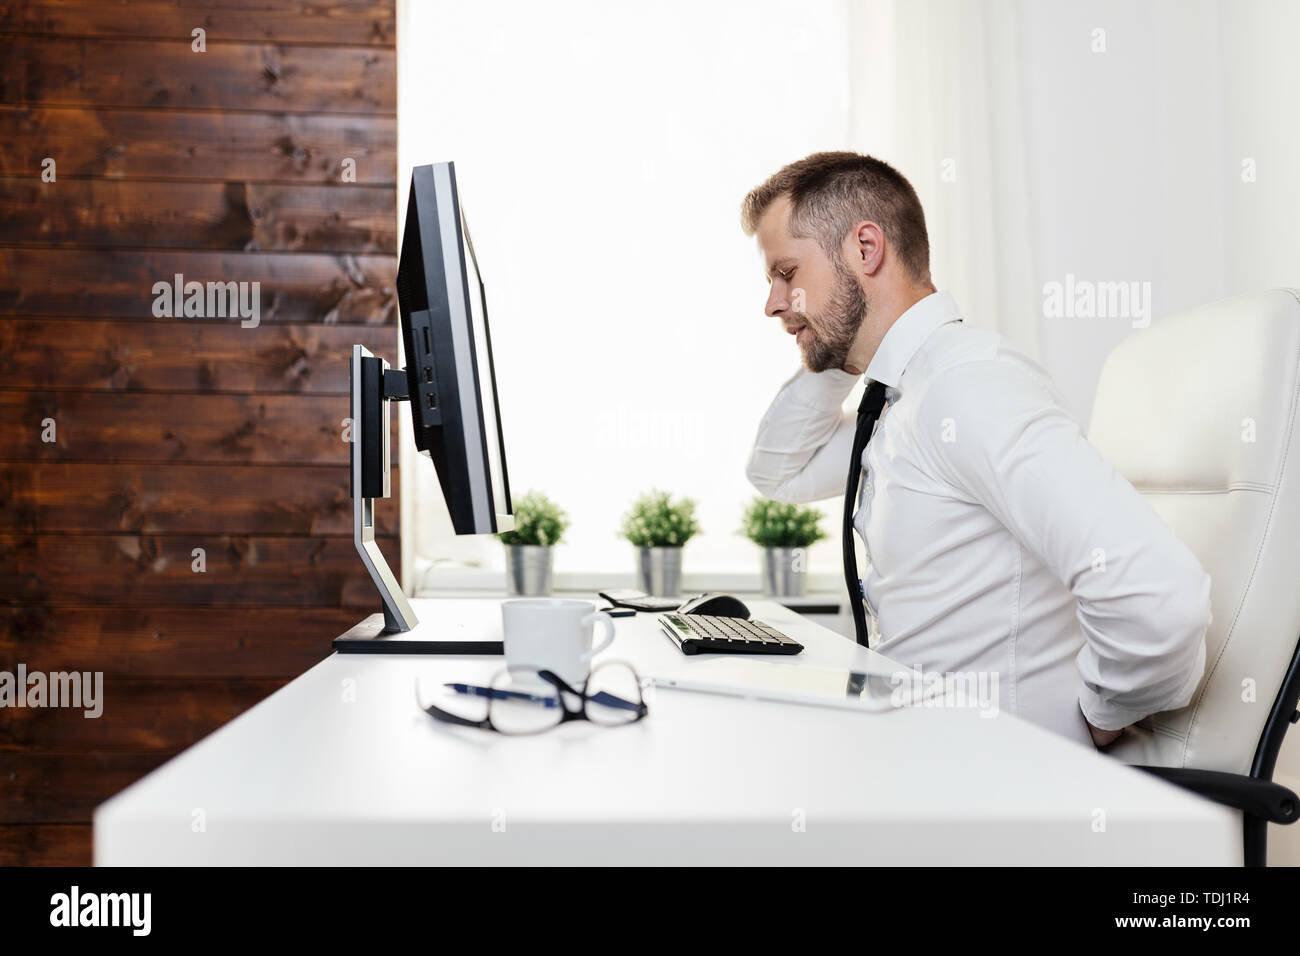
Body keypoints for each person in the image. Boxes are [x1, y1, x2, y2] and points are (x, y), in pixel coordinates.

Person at [742, 151, 1210, 749]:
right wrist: (844, 341)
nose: (774, 303)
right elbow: (778, 469)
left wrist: (1098, 716)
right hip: (921, 759)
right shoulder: (902, 399)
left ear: (866, 249)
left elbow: (1159, 594)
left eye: (787, 273)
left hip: (993, 781)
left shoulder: (965, 388)